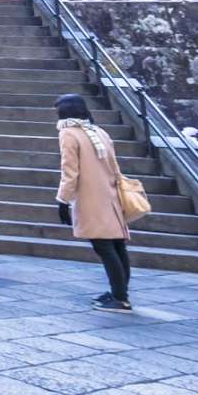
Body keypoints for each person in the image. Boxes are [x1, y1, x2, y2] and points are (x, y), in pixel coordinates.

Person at [54, 93, 132, 311]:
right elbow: (115, 167)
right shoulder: (100, 131)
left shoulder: (68, 134)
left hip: (90, 198)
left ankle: (120, 297)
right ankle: (119, 291)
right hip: (111, 194)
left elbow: (70, 172)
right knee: (117, 245)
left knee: (104, 247)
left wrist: (63, 200)